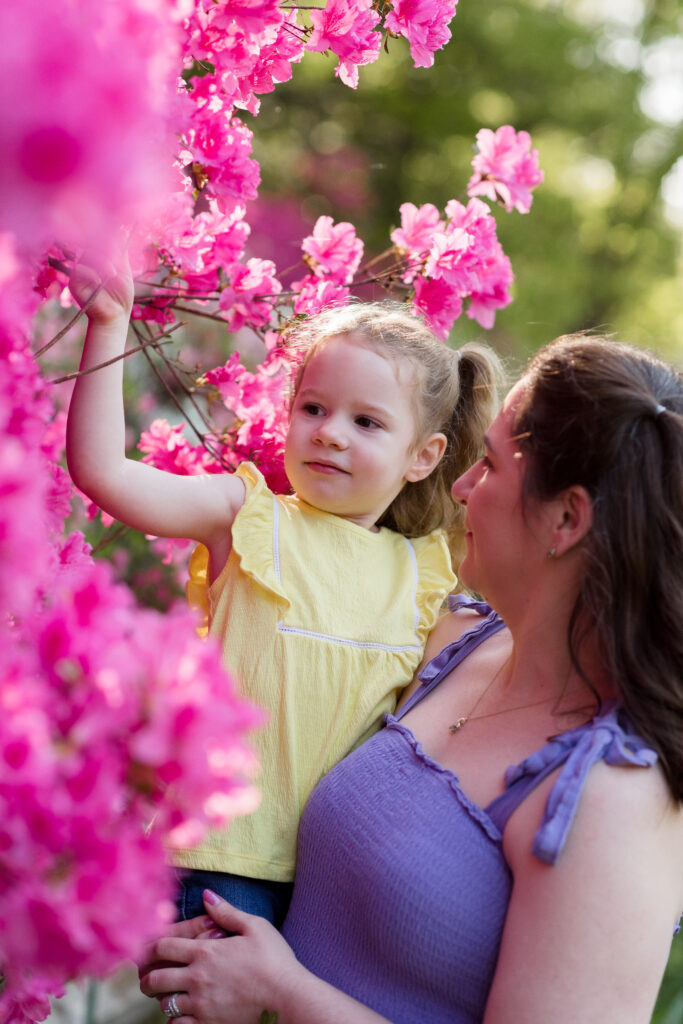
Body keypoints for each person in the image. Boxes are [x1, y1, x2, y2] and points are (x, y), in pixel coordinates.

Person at [139, 334, 683, 1024]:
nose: (457, 489)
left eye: (485, 466)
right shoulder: (452, 642)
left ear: (566, 518)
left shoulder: (612, 797)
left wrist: (280, 992)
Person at [66, 255, 501, 927]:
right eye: (314, 408)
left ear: (422, 457)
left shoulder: (425, 574)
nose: (329, 431)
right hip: (219, 864)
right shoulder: (247, 516)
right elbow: (103, 474)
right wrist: (109, 321)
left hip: (338, 888)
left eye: (366, 422)